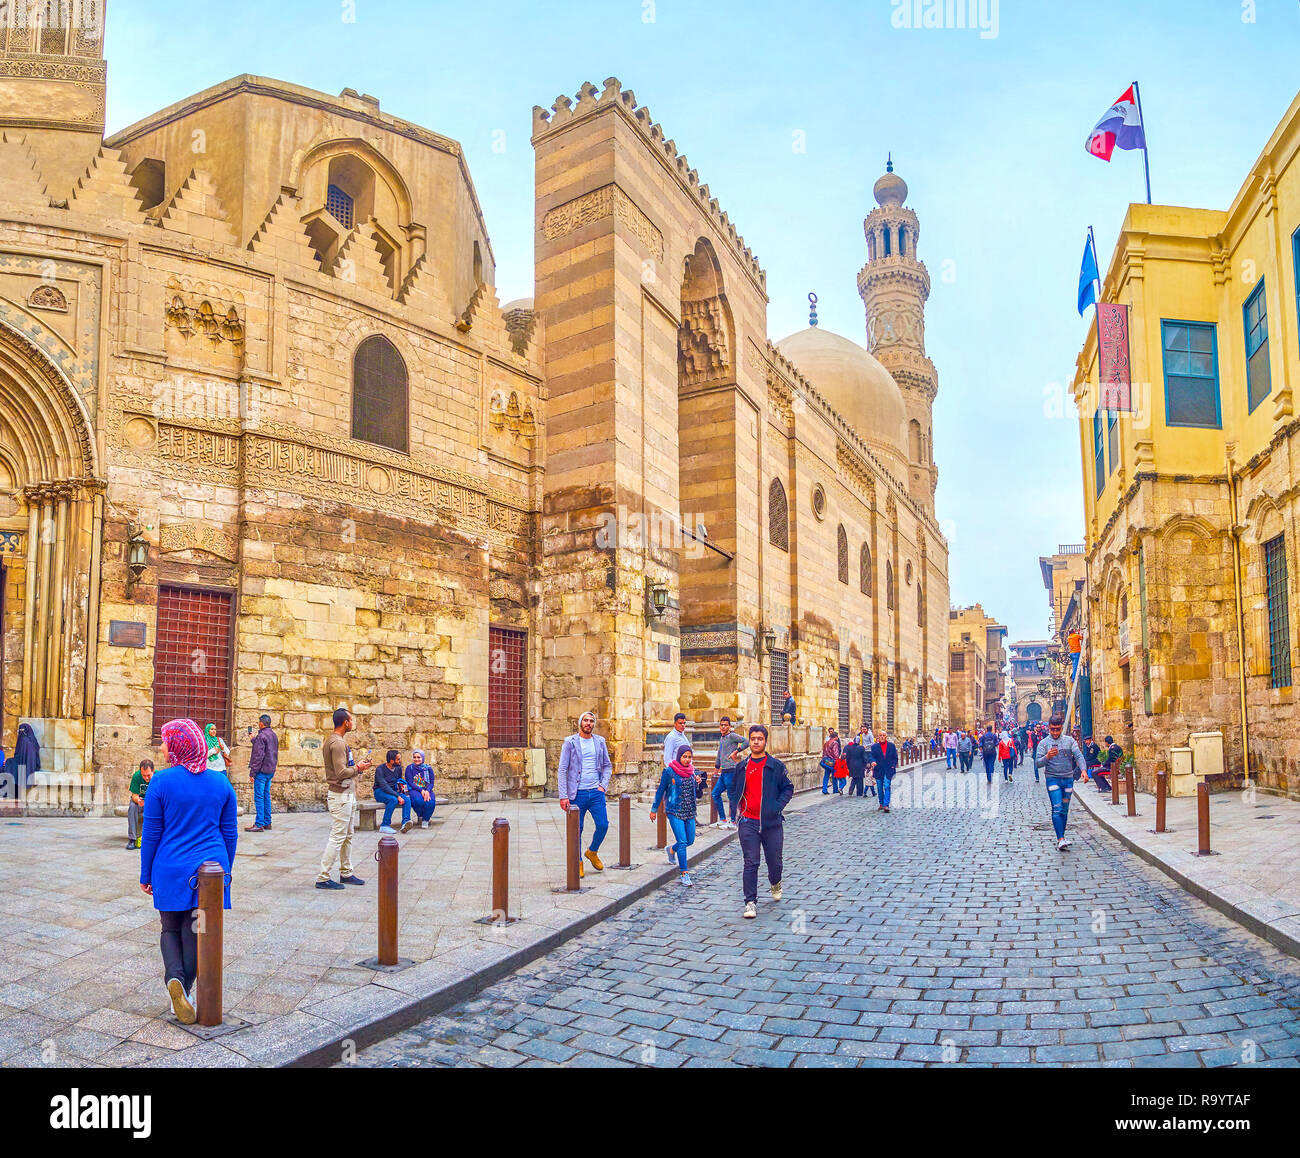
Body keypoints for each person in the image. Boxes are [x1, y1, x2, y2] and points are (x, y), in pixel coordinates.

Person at [139, 718, 238, 1025]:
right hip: (209, 869)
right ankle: (185, 990)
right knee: (196, 930)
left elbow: (152, 832)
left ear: (180, 745)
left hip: (169, 866)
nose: (163, 745)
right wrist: (225, 872)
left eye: (167, 740)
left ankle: (175, 980)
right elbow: (230, 832)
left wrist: (146, 874)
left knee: (170, 928)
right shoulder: (221, 782)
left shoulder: (161, 781)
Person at [736, 724, 794, 919]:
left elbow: (788, 788)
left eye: (759, 739)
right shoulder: (742, 766)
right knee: (751, 862)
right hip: (748, 822)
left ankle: (775, 882)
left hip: (771, 823)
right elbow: (735, 788)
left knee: (774, 862)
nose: (756, 742)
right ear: (749, 741)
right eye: (753, 739)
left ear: (765, 742)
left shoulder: (776, 766)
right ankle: (750, 902)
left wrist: (776, 807)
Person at [316, 707, 372, 890]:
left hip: (346, 795)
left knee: (347, 835)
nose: (352, 723)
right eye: (351, 720)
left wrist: (356, 767)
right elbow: (341, 772)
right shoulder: (338, 743)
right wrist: (359, 767)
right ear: (345, 722)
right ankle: (323, 877)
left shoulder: (334, 741)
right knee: (338, 836)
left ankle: (346, 872)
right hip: (340, 796)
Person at [557, 710, 613, 876]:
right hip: (577, 794)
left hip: (596, 793)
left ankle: (592, 851)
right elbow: (562, 770)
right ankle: (578, 861)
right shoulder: (570, 742)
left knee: (603, 825)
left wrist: (602, 786)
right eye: (586, 720)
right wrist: (563, 796)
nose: (589, 723)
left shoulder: (600, 741)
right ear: (580, 723)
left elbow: (607, 766)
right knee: (577, 830)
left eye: (591, 721)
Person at [651, 744, 706, 886]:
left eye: (689, 757)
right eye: (684, 757)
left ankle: (670, 850)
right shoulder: (670, 771)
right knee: (682, 841)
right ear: (679, 756)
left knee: (690, 840)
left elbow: (697, 793)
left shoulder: (692, 772)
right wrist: (654, 809)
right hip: (674, 810)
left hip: (690, 810)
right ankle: (684, 873)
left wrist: (698, 783)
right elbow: (660, 791)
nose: (687, 760)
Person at [1035, 712, 1088, 851]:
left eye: (1058, 729)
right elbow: (1038, 763)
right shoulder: (1043, 743)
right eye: (1053, 729)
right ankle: (1060, 839)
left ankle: (1062, 836)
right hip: (1052, 779)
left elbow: (1079, 756)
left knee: (1064, 809)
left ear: (1061, 728)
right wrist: (1047, 757)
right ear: (1049, 728)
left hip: (1068, 779)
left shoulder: (1069, 741)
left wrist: (1083, 770)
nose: (1055, 732)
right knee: (1057, 807)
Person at [712, 716, 747, 829]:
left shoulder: (732, 736)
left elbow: (746, 741)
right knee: (715, 793)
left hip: (731, 771)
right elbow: (719, 754)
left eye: (725, 725)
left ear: (729, 726)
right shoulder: (722, 738)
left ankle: (733, 821)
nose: (723, 727)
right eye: (721, 725)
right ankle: (722, 819)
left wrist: (737, 751)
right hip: (723, 772)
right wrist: (716, 767)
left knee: (731, 797)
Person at [246, 714, 278, 832]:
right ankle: (267, 822)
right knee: (266, 796)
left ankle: (259, 824)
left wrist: (252, 773)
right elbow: (269, 750)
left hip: (262, 771)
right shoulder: (273, 735)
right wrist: (253, 739)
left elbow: (258, 756)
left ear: (261, 723)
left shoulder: (262, 736)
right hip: (270, 770)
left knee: (259, 797)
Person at [374, 749, 412, 834]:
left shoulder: (398, 768)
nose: (400, 761)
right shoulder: (380, 769)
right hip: (380, 791)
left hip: (393, 791)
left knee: (407, 799)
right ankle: (384, 825)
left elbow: (398, 781)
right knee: (393, 800)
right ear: (391, 761)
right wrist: (397, 796)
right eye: (398, 759)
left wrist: (402, 792)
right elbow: (384, 786)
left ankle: (405, 822)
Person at [868, 729, 900, 812]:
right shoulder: (874, 747)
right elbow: (871, 756)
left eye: (883, 735)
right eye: (880, 735)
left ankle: (886, 805)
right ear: (878, 737)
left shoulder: (891, 746)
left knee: (887, 786)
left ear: (886, 737)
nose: (882, 737)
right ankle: (881, 803)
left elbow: (895, 757)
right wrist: (873, 761)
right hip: (879, 770)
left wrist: (893, 766)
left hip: (889, 769)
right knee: (879, 787)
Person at [126, 758, 153, 849]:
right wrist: (138, 801)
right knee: (132, 807)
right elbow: (134, 795)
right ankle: (132, 839)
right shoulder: (137, 776)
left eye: (148, 775)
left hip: (153, 803)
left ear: (153, 771)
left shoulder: (159, 776)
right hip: (140, 801)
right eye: (143, 775)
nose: (146, 778)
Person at [406, 750, 437, 826]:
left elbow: (431, 782)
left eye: (419, 757)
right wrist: (421, 790)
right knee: (418, 801)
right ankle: (421, 815)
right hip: (415, 789)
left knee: (430, 802)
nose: (416, 759)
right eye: (414, 757)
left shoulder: (428, 768)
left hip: (427, 789)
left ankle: (426, 819)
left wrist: (427, 791)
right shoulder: (409, 768)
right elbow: (410, 782)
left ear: (422, 758)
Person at [844, 731, 870, 796]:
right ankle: (859, 792)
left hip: (852, 764)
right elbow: (864, 757)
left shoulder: (850, 748)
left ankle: (851, 789)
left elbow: (848, 758)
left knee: (854, 778)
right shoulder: (861, 748)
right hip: (860, 765)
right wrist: (866, 764)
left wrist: (848, 766)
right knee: (860, 779)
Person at [820, 728, 843, 795]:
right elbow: (836, 753)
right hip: (832, 761)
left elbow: (824, 752)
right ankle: (835, 789)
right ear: (836, 737)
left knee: (826, 775)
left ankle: (824, 789)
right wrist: (837, 761)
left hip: (826, 761)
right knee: (834, 775)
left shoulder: (826, 743)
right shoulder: (835, 743)